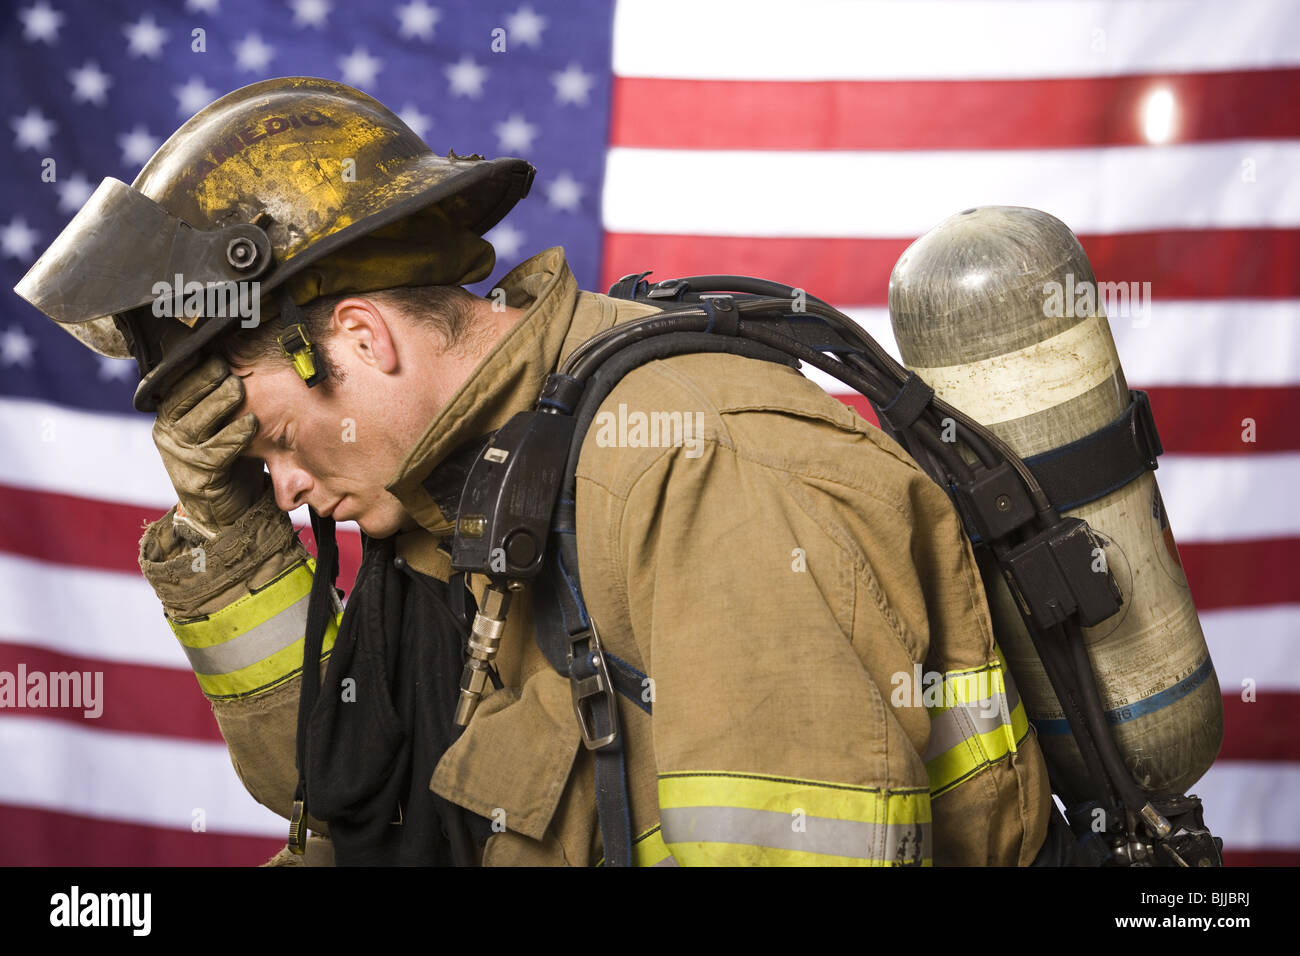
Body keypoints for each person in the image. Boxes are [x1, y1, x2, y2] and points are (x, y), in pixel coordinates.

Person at [16, 77, 1051, 866]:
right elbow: (332, 788)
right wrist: (224, 528)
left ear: (363, 338)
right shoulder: (450, 494)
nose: (283, 487)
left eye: (277, 441)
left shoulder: (696, 465)